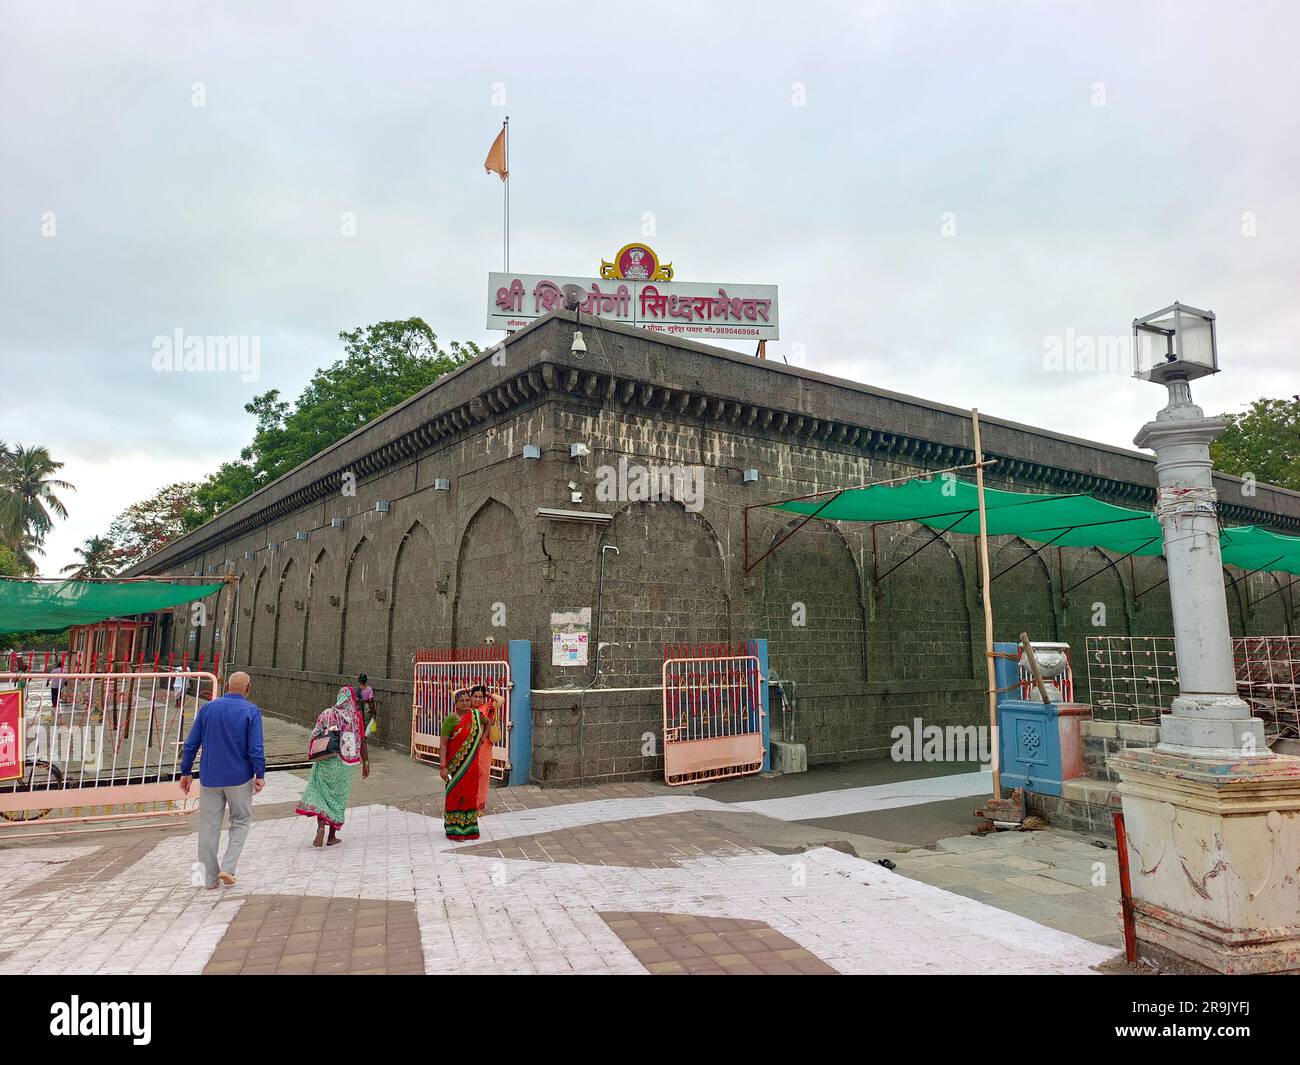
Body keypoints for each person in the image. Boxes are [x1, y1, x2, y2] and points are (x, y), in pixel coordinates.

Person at [179, 671, 266, 889]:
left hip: (210, 777)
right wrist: (260, 774)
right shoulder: (251, 711)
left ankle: (209, 879)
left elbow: (191, 744)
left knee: (208, 827)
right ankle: (228, 868)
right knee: (241, 821)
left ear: (226, 685)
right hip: (239, 777)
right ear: (248, 687)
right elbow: (256, 747)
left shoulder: (207, 708)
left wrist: (186, 772)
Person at [296, 686, 370, 847]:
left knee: (322, 794)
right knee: (338, 799)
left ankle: (321, 827)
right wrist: (366, 762)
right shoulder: (356, 717)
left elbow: (315, 734)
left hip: (327, 760)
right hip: (346, 766)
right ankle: (331, 836)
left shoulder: (327, 714)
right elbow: (363, 740)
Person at [439, 685, 503, 842]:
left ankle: (469, 829)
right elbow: (443, 745)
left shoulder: (476, 715)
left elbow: (488, 723)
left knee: (469, 793)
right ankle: (454, 830)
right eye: (462, 700)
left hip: (472, 763)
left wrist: (483, 737)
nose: (466, 703)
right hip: (455, 765)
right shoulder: (451, 720)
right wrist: (442, 767)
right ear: (456, 703)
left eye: (468, 700)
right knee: (455, 794)